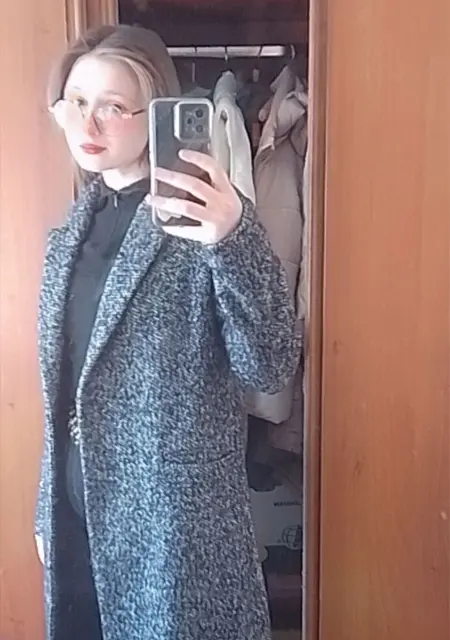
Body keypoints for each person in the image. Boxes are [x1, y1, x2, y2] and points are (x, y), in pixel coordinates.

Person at [35, 24, 300, 640]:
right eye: (77, 102)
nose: (88, 124)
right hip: (79, 522)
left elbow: (270, 365)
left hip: (174, 533)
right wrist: (48, 506)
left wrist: (233, 240)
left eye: (112, 106)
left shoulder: (206, 223)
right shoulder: (67, 237)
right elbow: (66, 394)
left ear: (157, 111)